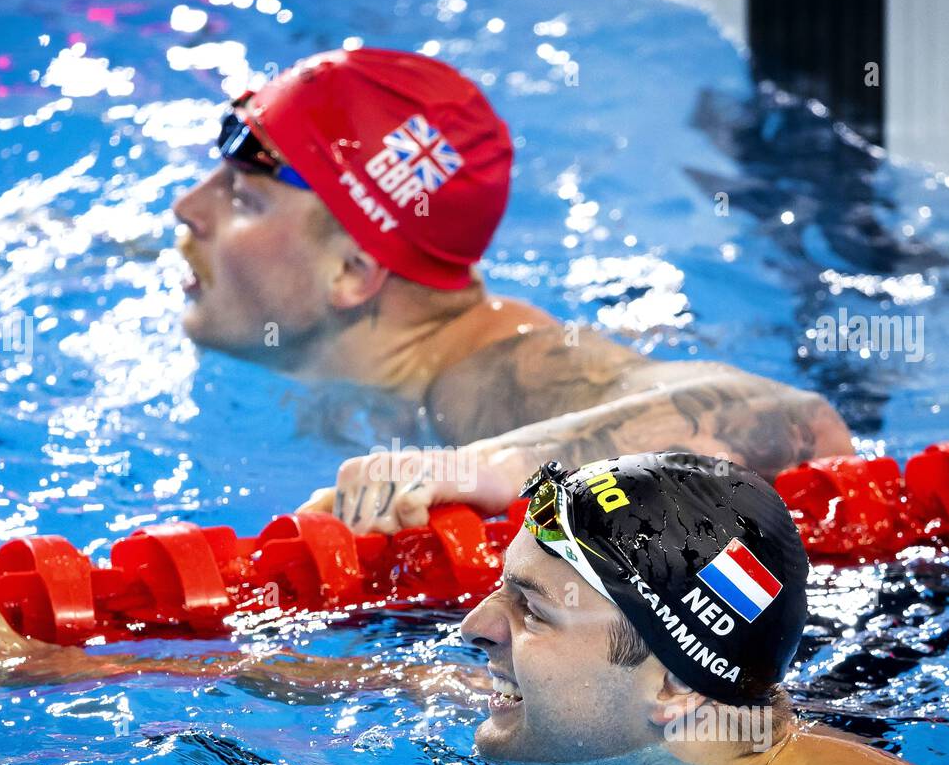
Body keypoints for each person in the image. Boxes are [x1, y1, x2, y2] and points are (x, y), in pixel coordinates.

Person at [0, 453, 949, 765]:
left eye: (531, 612)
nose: (470, 627)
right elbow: (343, 672)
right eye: (500, 591)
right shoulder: (585, 704)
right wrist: (72, 671)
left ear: (668, 686)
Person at [172, 47, 854, 533]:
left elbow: (794, 420)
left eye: (243, 199)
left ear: (353, 272)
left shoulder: (484, 379)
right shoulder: (361, 353)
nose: (186, 208)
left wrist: (483, 466)